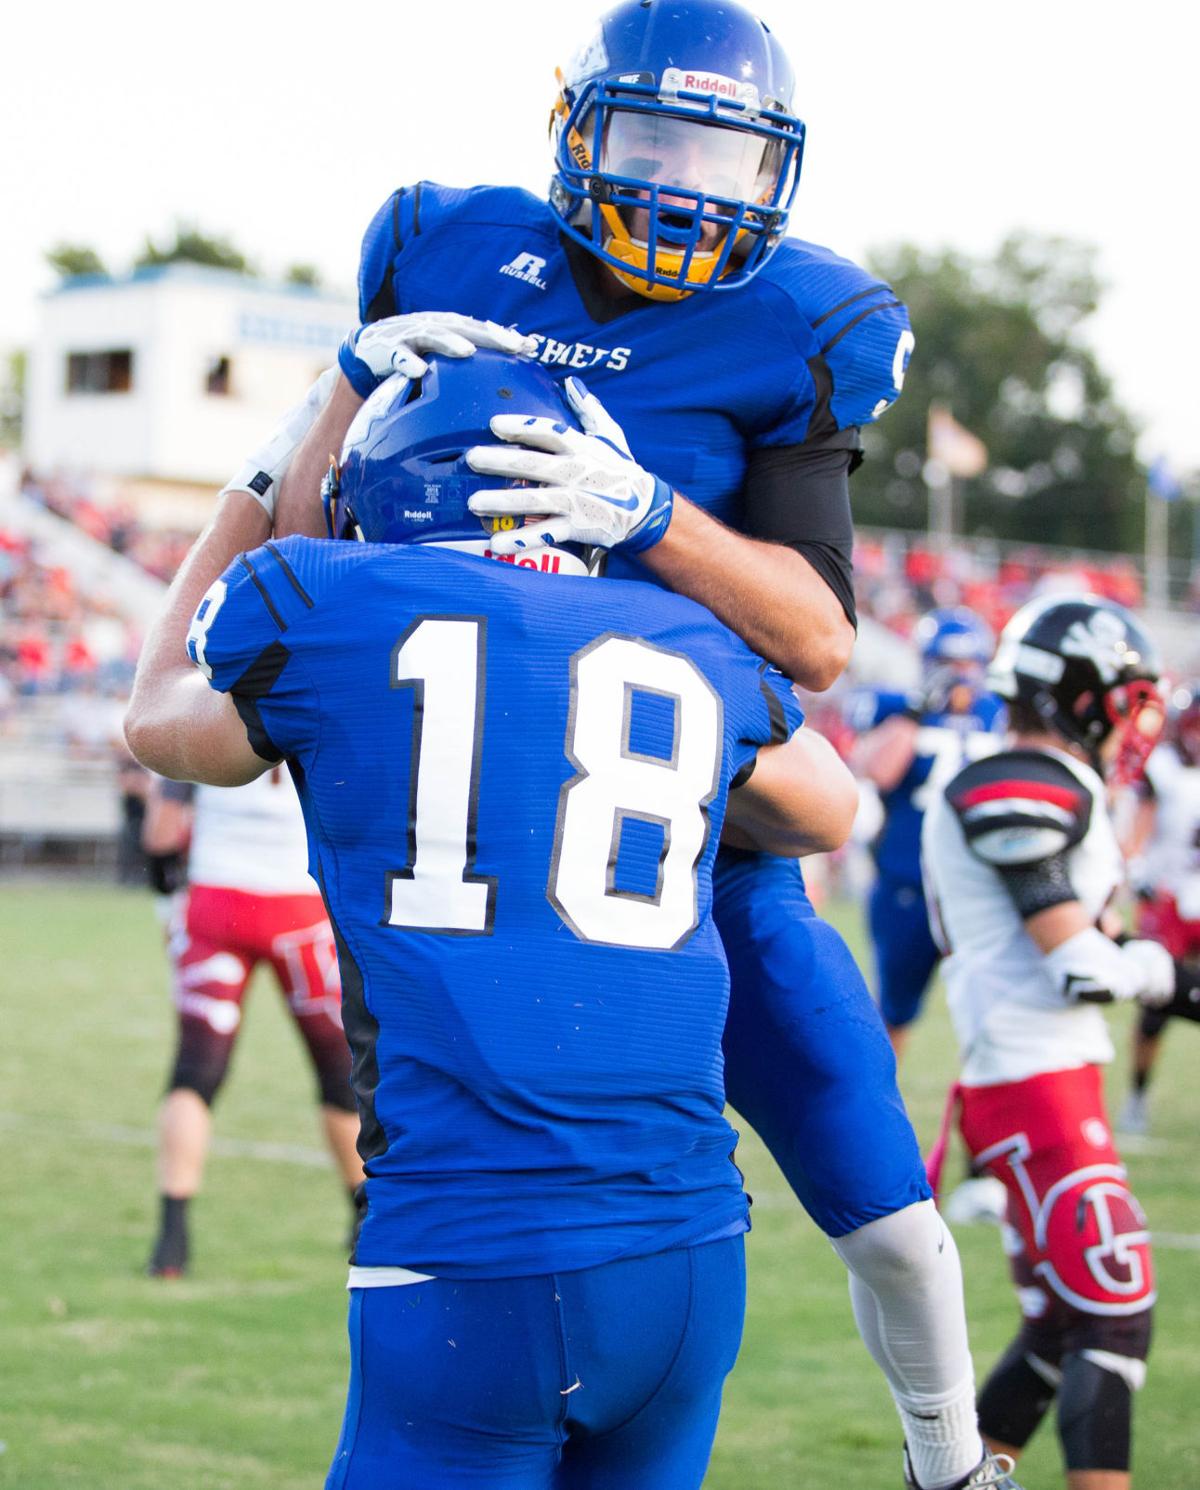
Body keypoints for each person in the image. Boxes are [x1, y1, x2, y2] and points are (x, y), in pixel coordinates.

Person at [218, 6, 1018, 1485]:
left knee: (894, 1215)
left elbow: (820, 641)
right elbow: (314, 562)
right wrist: (335, 394)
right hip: (476, 820)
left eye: (726, 150)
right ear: (576, 124)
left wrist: (648, 514)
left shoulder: (799, 319)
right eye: (656, 135)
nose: (687, 184)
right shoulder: (437, 244)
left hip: (682, 849)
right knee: (497, 1203)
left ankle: (954, 1461)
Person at [124, 351, 858, 1489]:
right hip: (689, 1246)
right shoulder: (688, 638)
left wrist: (260, 479)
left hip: (472, 1249)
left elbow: (161, 717)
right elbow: (827, 807)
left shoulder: (327, 599)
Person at [922, 594, 1200, 1490]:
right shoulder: (1022, 778)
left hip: (1035, 1080)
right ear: (1083, 696)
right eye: (1124, 701)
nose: (1131, 727)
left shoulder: (1031, 776)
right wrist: (1164, 972)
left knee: (1058, 1330)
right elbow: (1078, 962)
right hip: (1035, 1087)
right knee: (1116, 1317)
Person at [139, 770, 366, 1277]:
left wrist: (165, 904)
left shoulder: (201, 714)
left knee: (195, 1071)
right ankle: (364, 1214)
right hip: (301, 913)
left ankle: (171, 1241)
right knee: (338, 1070)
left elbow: (160, 830)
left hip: (216, 907)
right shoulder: (315, 709)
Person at [849, 606, 1005, 1054]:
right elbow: (877, 771)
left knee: (993, 1010)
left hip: (977, 884)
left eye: (969, 664)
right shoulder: (897, 707)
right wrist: (917, 712)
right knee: (894, 1010)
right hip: (907, 878)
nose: (961, 676)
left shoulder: (998, 712)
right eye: (950, 664)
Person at [1117, 683, 1200, 1133]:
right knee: (1158, 1001)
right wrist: (1138, 872)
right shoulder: (1164, 769)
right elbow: (1137, 834)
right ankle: (1137, 1096)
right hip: (1171, 897)